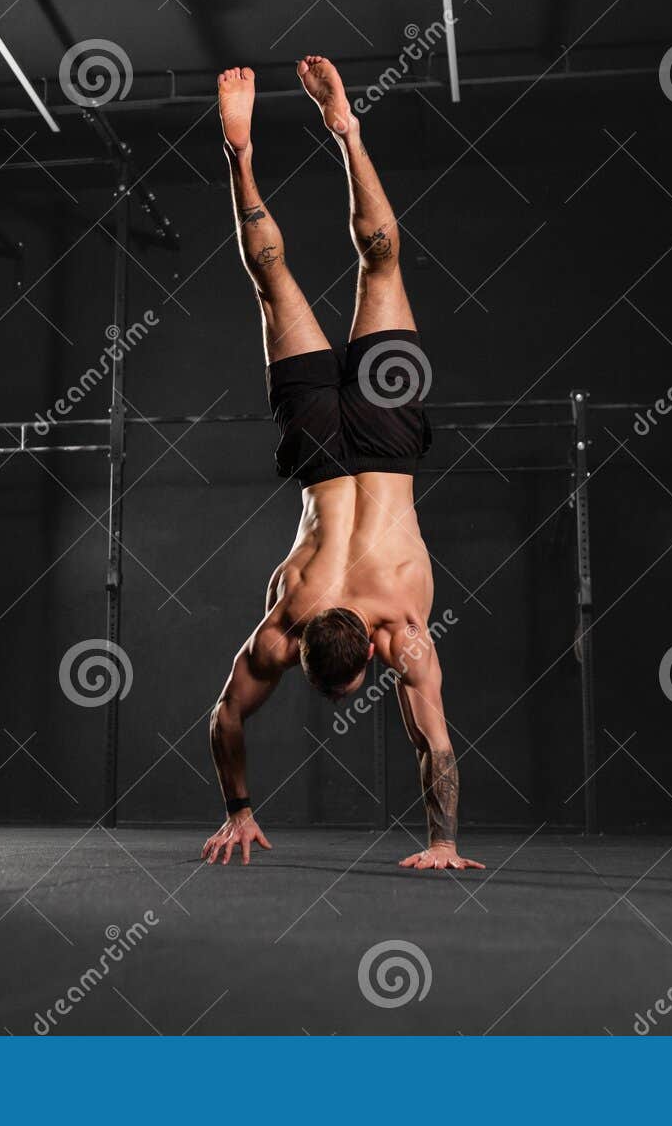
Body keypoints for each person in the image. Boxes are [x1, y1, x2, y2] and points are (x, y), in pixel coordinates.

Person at [201, 58, 484, 873]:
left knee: (380, 263)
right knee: (280, 278)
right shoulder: (292, 615)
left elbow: (434, 741)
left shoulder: (397, 630)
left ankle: (313, 138)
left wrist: (445, 844)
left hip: (387, 443)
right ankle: (259, 150)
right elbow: (222, 716)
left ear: (367, 652)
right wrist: (441, 842)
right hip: (324, 447)